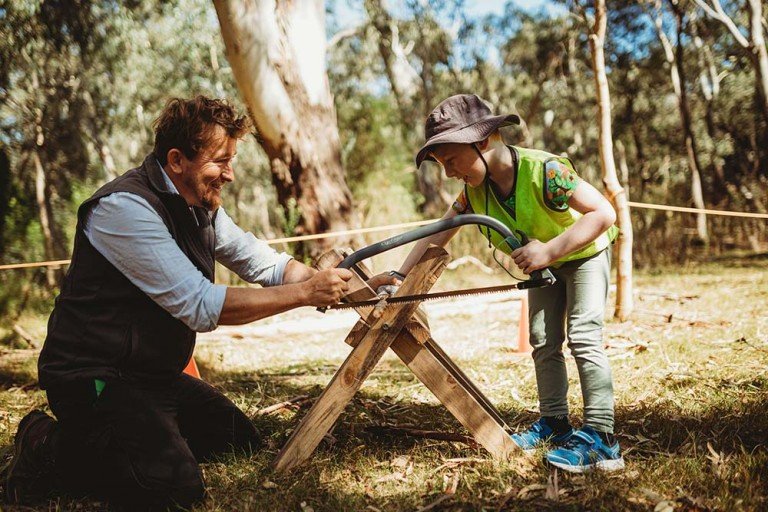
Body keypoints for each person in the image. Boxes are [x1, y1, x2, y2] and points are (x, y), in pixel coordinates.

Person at [0, 96, 367, 509]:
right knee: (173, 487)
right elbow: (199, 304)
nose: (229, 174)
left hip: (150, 376)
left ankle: (137, 435)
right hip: (95, 378)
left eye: (231, 159)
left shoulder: (199, 207)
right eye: (220, 161)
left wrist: (330, 283)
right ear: (176, 160)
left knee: (237, 441)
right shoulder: (122, 208)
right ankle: (43, 443)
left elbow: (263, 262)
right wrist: (305, 294)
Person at [379, 93, 623, 473]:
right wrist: (399, 276)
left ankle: (602, 439)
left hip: (584, 255)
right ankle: (556, 424)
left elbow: (603, 212)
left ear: (481, 141)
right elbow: (436, 235)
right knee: (543, 340)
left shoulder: (546, 171)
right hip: (545, 268)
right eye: (442, 164)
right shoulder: (473, 194)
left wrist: (550, 250)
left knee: (584, 334)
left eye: (450, 161)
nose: (447, 172)